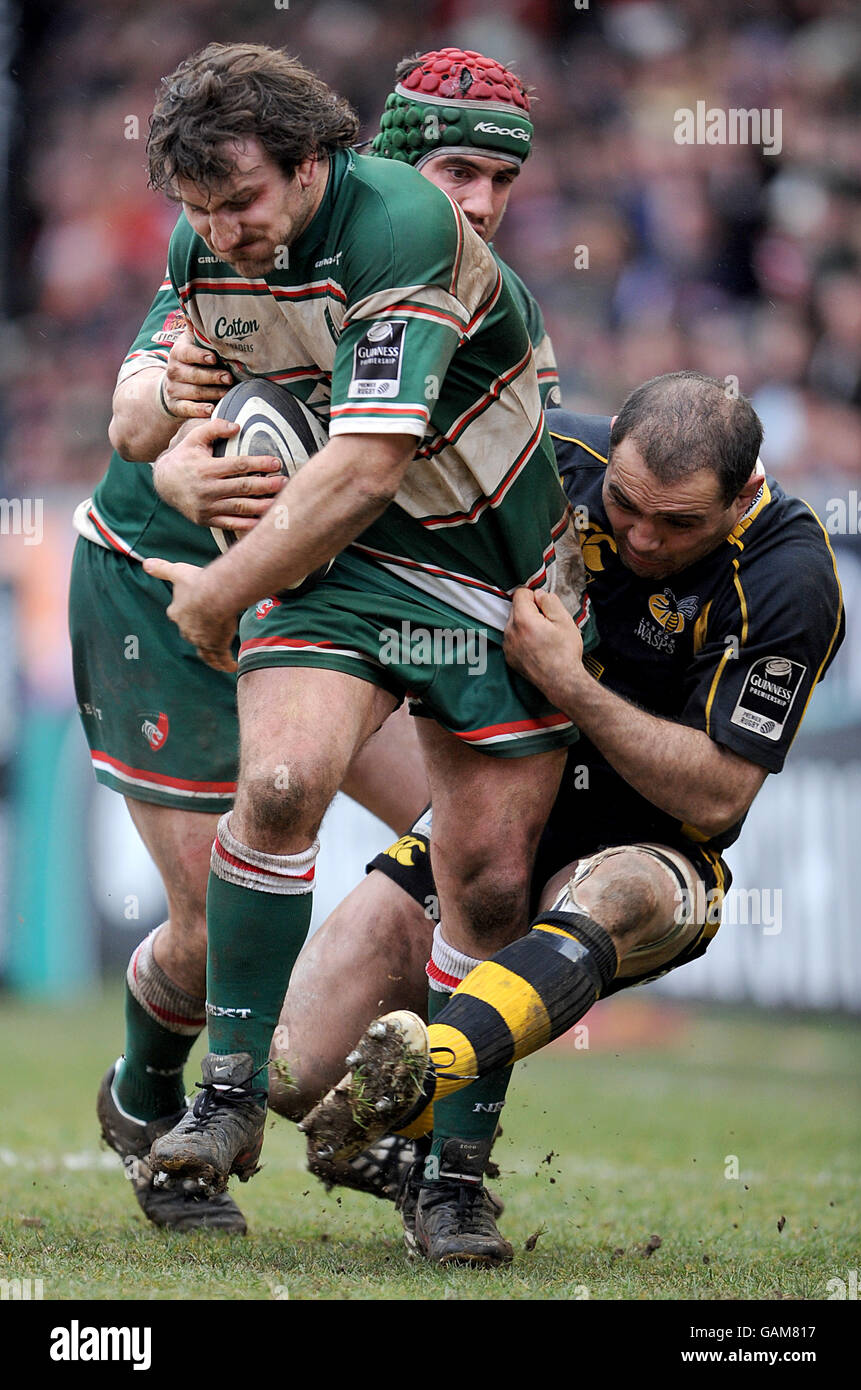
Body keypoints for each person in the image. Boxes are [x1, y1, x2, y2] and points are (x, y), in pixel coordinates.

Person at [72, 43, 563, 1235]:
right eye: (458, 169)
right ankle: (161, 1099)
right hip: (164, 587)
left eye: (503, 180)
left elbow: (383, 462)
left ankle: (384, 1112)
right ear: (374, 155)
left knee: (475, 867)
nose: (481, 202)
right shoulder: (234, 229)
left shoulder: (414, 249)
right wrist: (180, 449)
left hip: (326, 568)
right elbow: (141, 418)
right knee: (212, 913)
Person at [299, 370, 846, 1265]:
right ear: (610, 449)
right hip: (508, 802)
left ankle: (445, 1146)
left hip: (661, 852)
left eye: (679, 526)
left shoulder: (791, 573)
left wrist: (570, 683)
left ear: (743, 495)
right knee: (300, 1073)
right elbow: (369, 470)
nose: (640, 537)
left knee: (623, 892)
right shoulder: (546, 457)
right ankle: (415, 1152)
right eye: (627, 506)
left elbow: (718, 793)